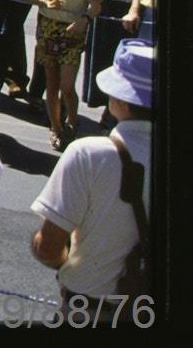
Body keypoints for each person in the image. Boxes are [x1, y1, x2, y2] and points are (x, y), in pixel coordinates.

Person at [31, 38, 152, 324]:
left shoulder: (90, 153)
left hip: (90, 312)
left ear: (120, 99)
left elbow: (47, 247)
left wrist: (65, 261)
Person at [23, 0, 100, 150]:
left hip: (72, 32)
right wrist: (44, 2)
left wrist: (84, 20)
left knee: (67, 85)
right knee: (52, 83)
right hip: (48, 28)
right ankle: (55, 128)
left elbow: (95, 4)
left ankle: (72, 121)